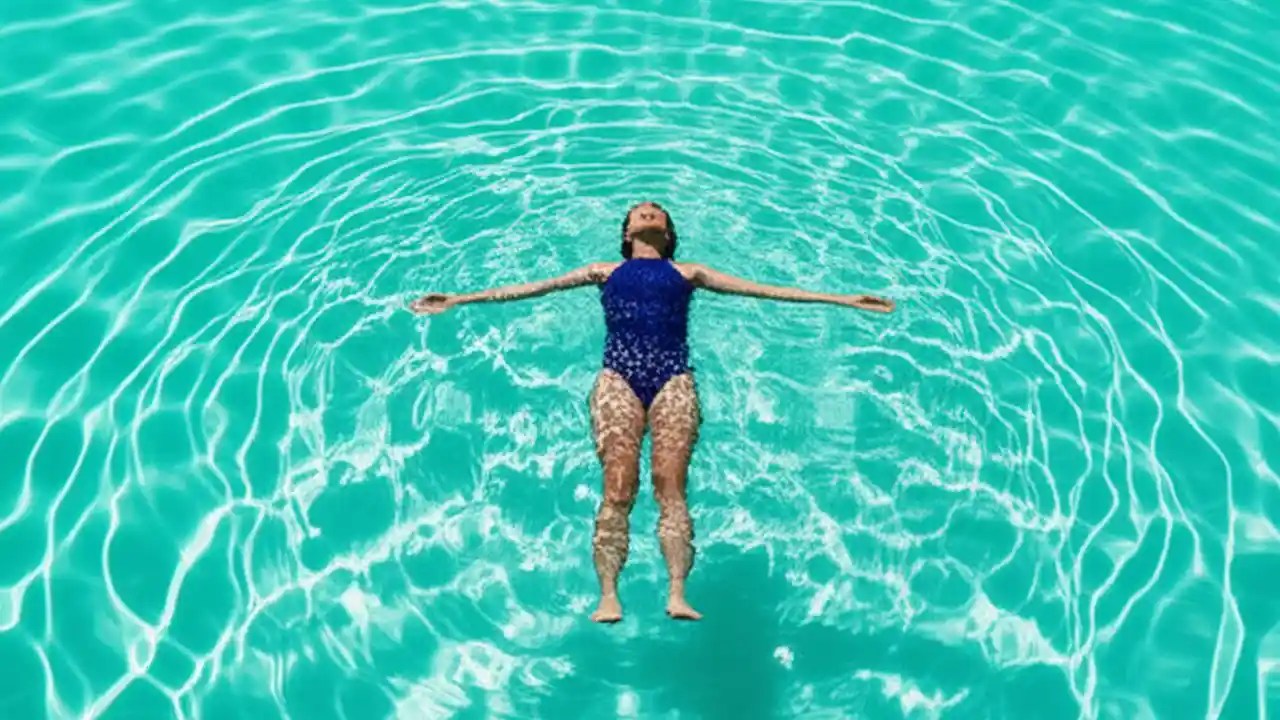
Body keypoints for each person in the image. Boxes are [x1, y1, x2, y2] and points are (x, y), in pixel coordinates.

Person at [409, 201, 894, 622]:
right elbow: (535, 287)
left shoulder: (689, 272)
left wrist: (843, 299)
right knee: (618, 487)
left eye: (656, 210)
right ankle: (607, 595)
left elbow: (762, 288)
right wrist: (459, 299)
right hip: (618, 378)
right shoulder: (605, 270)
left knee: (670, 485)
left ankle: (678, 592)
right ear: (626, 233)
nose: (647, 209)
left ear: (667, 231)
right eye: (638, 211)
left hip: (673, 379)